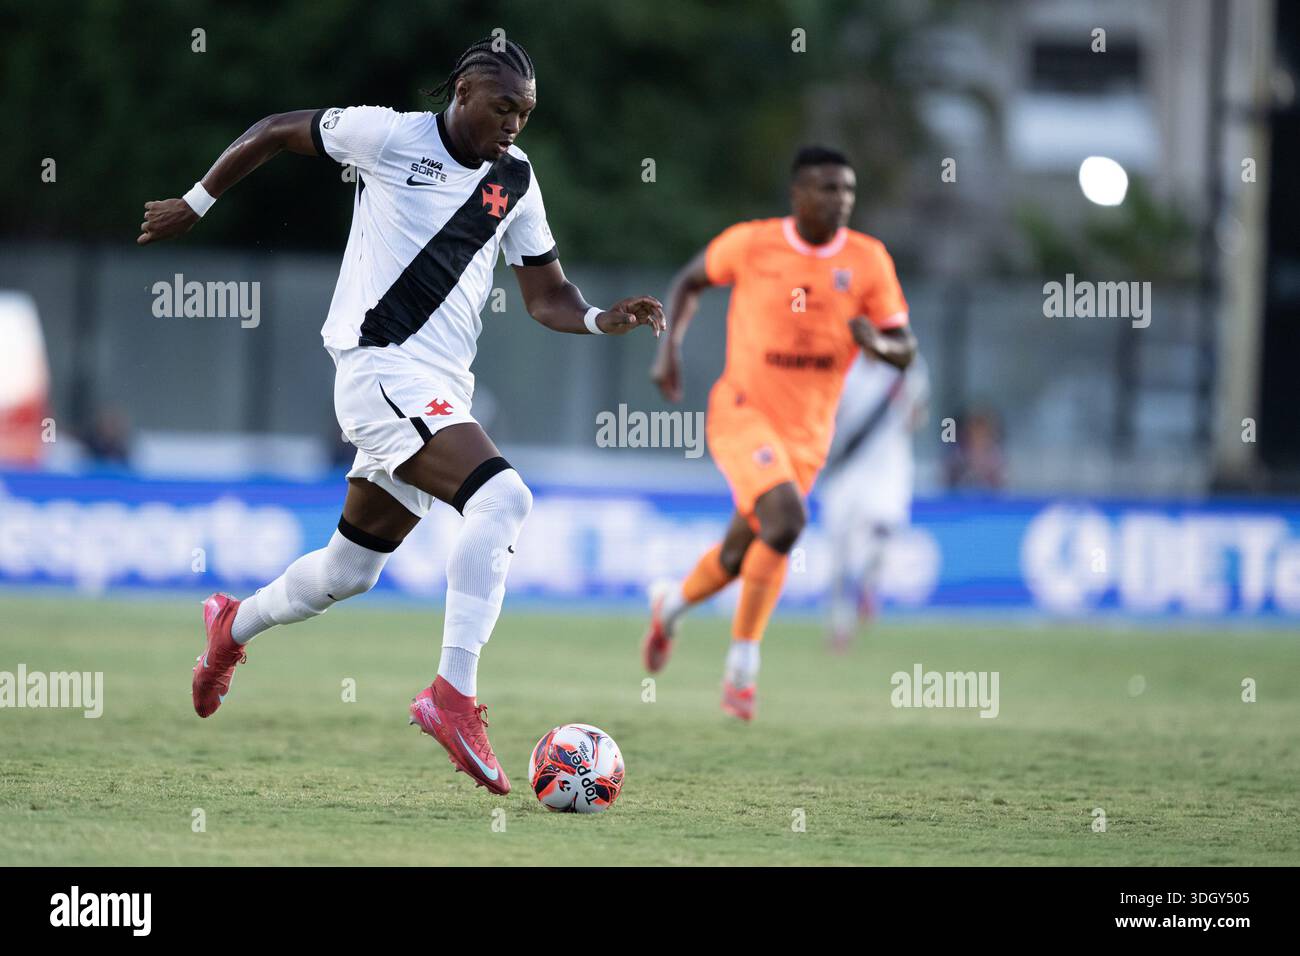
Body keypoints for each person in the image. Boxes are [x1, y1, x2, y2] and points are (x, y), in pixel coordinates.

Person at [138, 37, 665, 796]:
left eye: (526, 112)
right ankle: (451, 697)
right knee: (504, 497)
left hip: (438, 389)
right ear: (461, 93)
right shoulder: (389, 136)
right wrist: (197, 201)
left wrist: (598, 320)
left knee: (349, 572)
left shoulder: (514, 180)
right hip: (379, 369)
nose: (515, 123)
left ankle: (231, 625)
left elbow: (546, 293)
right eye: (503, 107)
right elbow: (279, 129)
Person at [644, 146, 915, 720]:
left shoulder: (869, 260)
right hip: (742, 412)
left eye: (847, 190)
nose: (840, 200)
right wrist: (669, 347)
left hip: (809, 436)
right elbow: (689, 281)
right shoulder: (753, 243)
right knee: (787, 521)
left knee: (743, 551)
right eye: (827, 188)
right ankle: (742, 669)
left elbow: (905, 347)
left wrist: (880, 346)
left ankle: (669, 607)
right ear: (798, 195)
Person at [818, 352, 929, 650]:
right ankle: (841, 626)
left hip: (887, 467)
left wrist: (909, 405)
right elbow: (823, 412)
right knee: (839, 552)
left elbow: (917, 417)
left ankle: (869, 581)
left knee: (884, 528)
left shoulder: (905, 363)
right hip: (845, 467)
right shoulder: (840, 361)